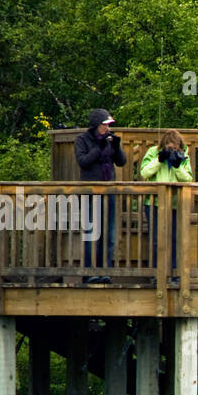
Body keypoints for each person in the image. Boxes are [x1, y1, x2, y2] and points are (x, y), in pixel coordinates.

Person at [73, 108, 126, 281]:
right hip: (90, 191)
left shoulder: (109, 139)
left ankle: (105, 272)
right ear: (96, 125)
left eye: (109, 125)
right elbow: (83, 162)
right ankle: (89, 273)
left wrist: (116, 147)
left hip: (109, 190)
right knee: (91, 234)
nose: (107, 128)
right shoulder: (82, 140)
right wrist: (99, 148)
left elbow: (121, 161)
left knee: (108, 234)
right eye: (105, 125)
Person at [140, 129, 192, 284]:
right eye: (169, 148)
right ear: (163, 145)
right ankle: (158, 273)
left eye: (174, 148)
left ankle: (175, 273)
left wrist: (177, 165)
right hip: (154, 203)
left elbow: (188, 178)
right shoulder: (152, 152)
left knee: (175, 239)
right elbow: (145, 173)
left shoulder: (184, 156)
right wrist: (159, 160)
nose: (172, 150)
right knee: (157, 239)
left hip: (175, 203)